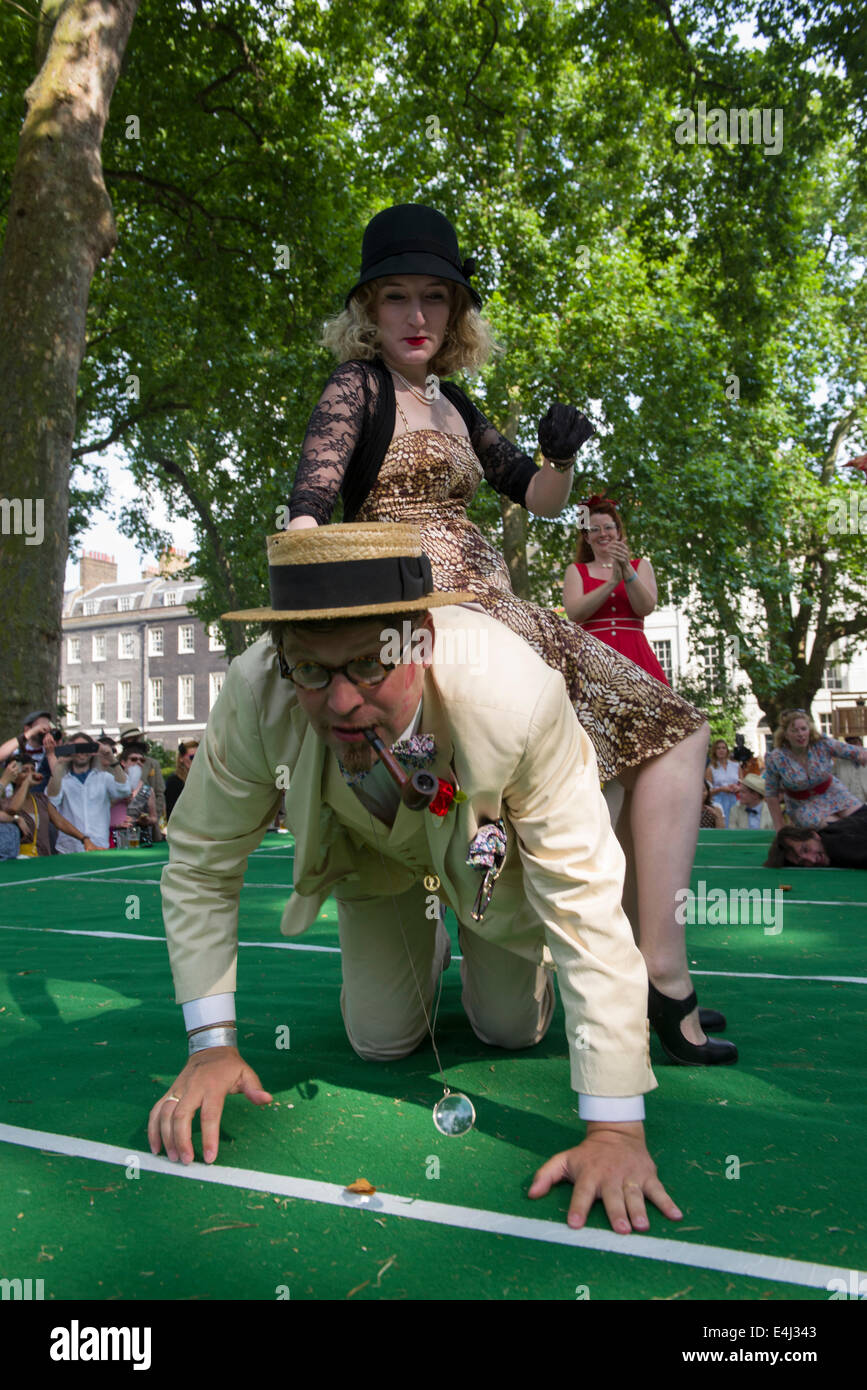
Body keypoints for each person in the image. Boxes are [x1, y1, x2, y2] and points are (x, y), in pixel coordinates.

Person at [284, 203, 731, 1064]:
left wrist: (559, 459)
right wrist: (312, 604)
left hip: (505, 608)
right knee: (390, 1027)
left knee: (675, 732)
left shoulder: (454, 400)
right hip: (421, 618)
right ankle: (439, 918)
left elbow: (536, 497)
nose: (416, 317)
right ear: (367, 312)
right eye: (396, 299)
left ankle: (658, 977)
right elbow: (310, 503)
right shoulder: (357, 388)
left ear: (455, 315)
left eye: (435, 299)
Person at [155, 523, 689, 1235]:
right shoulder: (254, 695)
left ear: (421, 642)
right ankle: (421, 945)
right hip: (372, 863)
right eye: (310, 671)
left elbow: (585, 897)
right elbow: (199, 865)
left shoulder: (517, 696)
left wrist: (616, 1131)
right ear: (282, 658)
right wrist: (211, 1045)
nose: (341, 703)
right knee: (378, 1041)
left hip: (488, 867)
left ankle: (480, 940)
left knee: (512, 1030)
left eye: (369, 668)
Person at [562, 498, 669, 684]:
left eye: (608, 527)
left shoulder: (640, 566)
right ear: (587, 537)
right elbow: (574, 613)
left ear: (618, 532)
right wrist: (612, 582)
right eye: (594, 529)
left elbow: (645, 607)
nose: (603, 533)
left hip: (636, 657)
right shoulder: (576, 570)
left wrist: (626, 569)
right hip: (593, 661)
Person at [764, 710, 867, 830]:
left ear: (809, 730)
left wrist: (862, 754)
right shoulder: (776, 758)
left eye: (803, 729)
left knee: (863, 819)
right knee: (838, 830)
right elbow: (771, 795)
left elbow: (853, 751)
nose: (800, 734)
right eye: (794, 730)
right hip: (803, 805)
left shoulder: (822, 744)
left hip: (835, 794)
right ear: (786, 735)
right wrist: (780, 828)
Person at [42, 732, 130, 852]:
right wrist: (60, 764)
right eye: (77, 748)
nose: (81, 753)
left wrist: (111, 758)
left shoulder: (103, 778)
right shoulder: (62, 779)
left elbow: (124, 790)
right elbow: (52, 799)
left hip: (99, 845)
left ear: (92, 751)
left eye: (85, 748)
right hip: (68, 848)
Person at [0, 754, 104, 854]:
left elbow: (60, 822)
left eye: (32, 770)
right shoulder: (4, 803)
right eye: (24, 771)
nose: (30, 774)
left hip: (42, 858)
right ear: (13, 777)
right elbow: (13, 809)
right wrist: (26, 783)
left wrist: (84, 839)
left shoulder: (41, 799)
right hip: (18, 862)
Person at [764, 806, 867, 868]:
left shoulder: (838, 845)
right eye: (803, 862)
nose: (812, 860)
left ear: (814, 835)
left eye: (805, 849)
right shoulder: (828, 834)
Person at [119, 726, 167, 839]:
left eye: (137, 738)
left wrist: (152, 817)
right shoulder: (116, 763)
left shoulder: (152, 763)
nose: (135, 741)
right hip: (121, 823)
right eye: (131, 739)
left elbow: (159, 793)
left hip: (146, 820)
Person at [109, 743, 158, 847]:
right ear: (123, 762)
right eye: (133, 759)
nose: (138, 762)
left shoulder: (147, 789)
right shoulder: (112, 785)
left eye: (142, 760)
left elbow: (154, 818)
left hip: (141, 841)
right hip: (116, 840)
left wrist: (146, 820)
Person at [705, 739, 741, 827]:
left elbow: (743, 784)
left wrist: (737, 788)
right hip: (719, 801)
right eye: (718, 748)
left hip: (734, 799)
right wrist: (721, 789)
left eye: (723, 748)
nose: (721, 750)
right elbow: (707, 791)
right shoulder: (711, 768)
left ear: (727, 750)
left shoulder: (736, 765)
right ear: (715, 751)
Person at [164, 741, 199, 821]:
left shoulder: (204, 778)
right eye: (192, 757)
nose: (196, 760)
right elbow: (171, 813)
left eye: (199, 757)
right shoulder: (174, 782)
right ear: (181, 759)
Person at [833, 735, 867, 802]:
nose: (853, 746)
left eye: (855, 742)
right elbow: (834, 777)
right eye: (850, 743)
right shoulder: (840, 760)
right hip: (848, 799)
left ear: (861, 744)